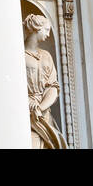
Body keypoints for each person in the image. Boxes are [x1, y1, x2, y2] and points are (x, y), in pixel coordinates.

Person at [23, 14, 66, 149]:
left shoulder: (46, 56)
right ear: (37, 28)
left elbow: (53, 87)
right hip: (27, 115)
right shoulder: (18, 54)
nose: (48, 34)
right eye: (46, 30)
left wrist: (41, 108)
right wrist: (29, 103)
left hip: (43, 115)